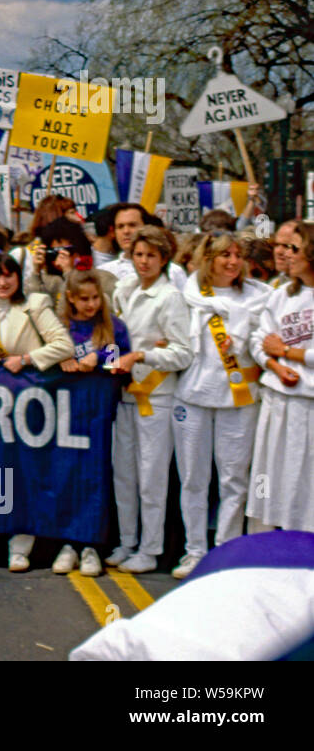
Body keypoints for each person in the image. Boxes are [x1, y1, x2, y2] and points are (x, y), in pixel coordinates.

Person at [0, 254, 73, 570]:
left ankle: (20, 546)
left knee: (22, 474)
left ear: (18, 278)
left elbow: (64, 345)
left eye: (8, 276)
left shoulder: (35, 303)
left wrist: (26, 359)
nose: (2, 282)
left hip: (25, 405)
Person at [170, 233, 269, 579]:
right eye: (224, 254)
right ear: (207, 257)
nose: (232, 261)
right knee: (193, 479)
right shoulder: (189, 295)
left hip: (239, 399)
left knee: (234, 480)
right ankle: (194, 551)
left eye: (237, 254)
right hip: (193, 396)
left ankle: (227, 550)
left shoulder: (259, 297)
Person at [106, 226, 193, 574]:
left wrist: (143, 356)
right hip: (124, 394)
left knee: (151, 476)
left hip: (156, 397)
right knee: (124, 474)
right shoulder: (124, 290)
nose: (143, 262)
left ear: (163, 258)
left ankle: (151, 547)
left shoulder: (170, 296)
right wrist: (115, 358)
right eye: (138, 255)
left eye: (151, 256)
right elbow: (113, 334)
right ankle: (127, 540)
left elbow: (183, 352)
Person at [52, 269, 131, 576]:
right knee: (67, 478)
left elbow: (118, 358)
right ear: (70, 298)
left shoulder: (113, 326)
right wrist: (60, 358)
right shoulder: (61, 327)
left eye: (95, 298)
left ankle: (92, 546)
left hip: (101, 416)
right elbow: (40, 354)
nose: (90, 305)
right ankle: (68, 543)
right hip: (65, 417)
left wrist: (98, 357)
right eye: (83, 299)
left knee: (96, 479)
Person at [248, 221, 314, 534]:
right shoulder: (281, 295)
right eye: (284, 247)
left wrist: (286, 353)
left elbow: (278, 345)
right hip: (277, 397)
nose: (286, 254)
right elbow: (259, 339)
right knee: (268, 475)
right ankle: (269, 542)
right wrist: (275, 365)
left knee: (304, 481)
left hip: (308, 403)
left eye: (294, 248)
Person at [99, 203, 189, 290]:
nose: (126, 231)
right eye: (120, 226)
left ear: (146, 227)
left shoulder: (174, 271)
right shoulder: (104, 271)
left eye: (132, 225)